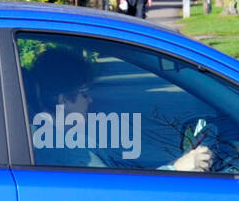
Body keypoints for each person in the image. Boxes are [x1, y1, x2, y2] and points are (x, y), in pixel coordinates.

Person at [25, 46, 211, 171]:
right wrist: (177, 168)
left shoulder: (54, 137)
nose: (89, 99)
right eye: (84, 92)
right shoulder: (66, 150)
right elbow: (120, 197)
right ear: (63, 100)